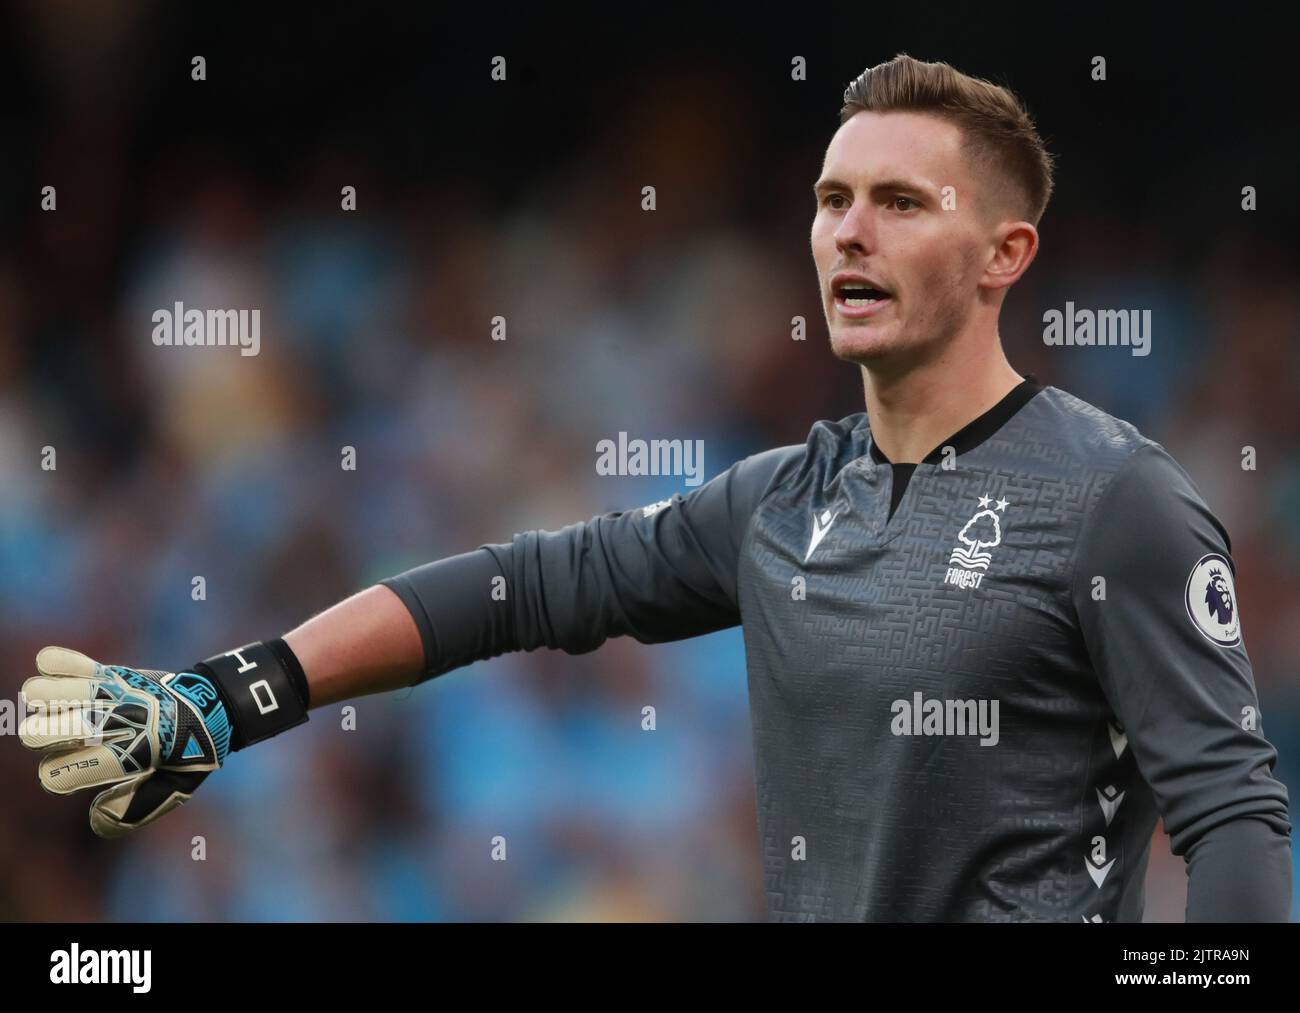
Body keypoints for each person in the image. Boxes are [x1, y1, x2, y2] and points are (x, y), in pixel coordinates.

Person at [21, 54, 1291, 922]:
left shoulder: (1113, 497)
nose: (848, 230)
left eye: (900, 202)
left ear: (1006, 251)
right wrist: (235, 694)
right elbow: (515, 589)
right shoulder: (777, 502)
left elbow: (1232, 813)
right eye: (832, 200)